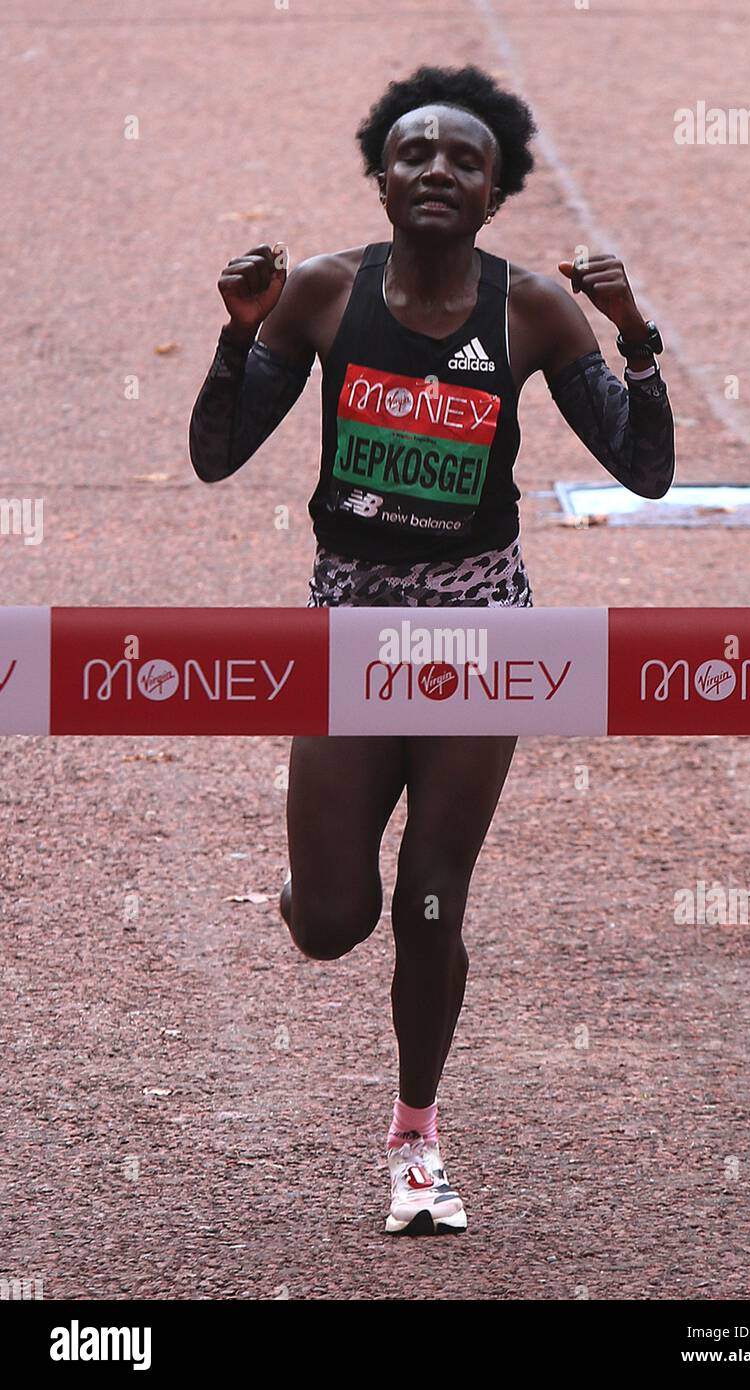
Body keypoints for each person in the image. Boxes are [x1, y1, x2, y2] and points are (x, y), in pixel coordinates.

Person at [188, 63, 674, 1236]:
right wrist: (236, 334)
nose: (437, 171)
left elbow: (644, 471)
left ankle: (416, 1137)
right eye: (413, 154)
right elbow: (215, 453)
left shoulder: (532, 312)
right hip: (350, 628)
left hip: (477, 627)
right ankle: (307, 883)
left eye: (465, 159)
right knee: (334, 923)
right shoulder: (317, 295)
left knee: (428, 902)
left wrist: (634, 337)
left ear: (496, 190)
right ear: (380, 176)